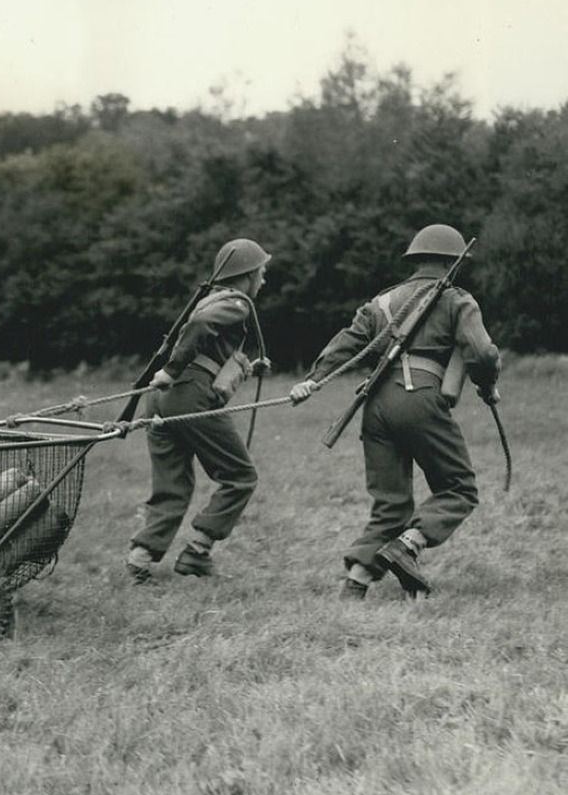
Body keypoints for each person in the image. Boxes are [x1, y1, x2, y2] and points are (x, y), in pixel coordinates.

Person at [289, 224, 500, 600]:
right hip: (420, 400)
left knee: (391, 503)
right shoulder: (456, 300)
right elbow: (482, 354)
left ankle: (356, 582)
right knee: (459, 488)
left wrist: (312, 380)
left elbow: (347, 342)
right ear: (452, 263)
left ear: (416, 260)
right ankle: (408, 545)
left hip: (375, 405)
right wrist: (486, 386)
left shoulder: (382, 302)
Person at [126, 238, 271, 584]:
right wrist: (172, 370)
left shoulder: (210, 298)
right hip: (187, 395)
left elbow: (207, 348)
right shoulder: (237, 303)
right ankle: (197, 552)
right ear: (247, 275)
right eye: (261, 272)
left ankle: (139, 560)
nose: (263, 280)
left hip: (161, 399)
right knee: (240, 476)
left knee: (172, 483)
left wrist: (248, 367)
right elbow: (202, 326)